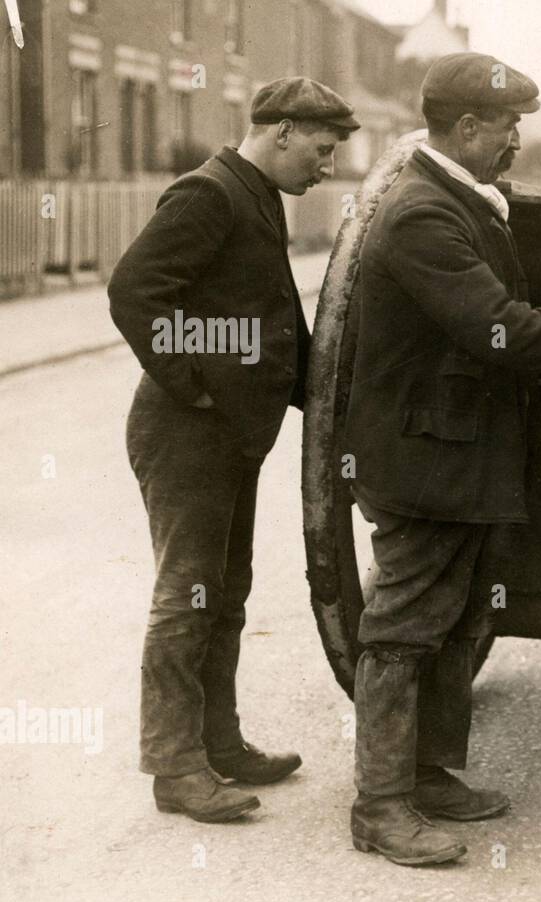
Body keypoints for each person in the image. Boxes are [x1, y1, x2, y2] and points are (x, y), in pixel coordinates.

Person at [343, 52, 541, 866]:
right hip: (425, 457)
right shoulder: (421, 213)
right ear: (465, 128)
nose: (518, 139)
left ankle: (429, 774)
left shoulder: (462, 202)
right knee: (404, 625)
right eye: (508, 125)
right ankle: (380, 805)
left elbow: (500, 280)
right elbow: (496, 324)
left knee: (455, 617)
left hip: (457, 451)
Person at [108, 78, 359, 823]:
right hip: (187, 431)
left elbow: (271, 313)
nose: (324, 167)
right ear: (281, 131)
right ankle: (175, 766)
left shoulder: (252, 195)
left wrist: (323, 395)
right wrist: (198, 386)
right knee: (188, 596)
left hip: (227, 434)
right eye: (319, 149)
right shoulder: (208, 194)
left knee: (226, 592)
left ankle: (220, 743)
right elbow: (134, 292)